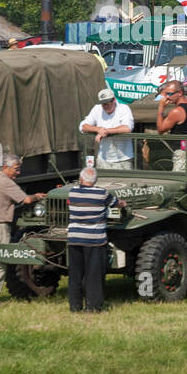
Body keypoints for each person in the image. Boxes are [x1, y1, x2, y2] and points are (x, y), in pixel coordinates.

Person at [0, 154, 46, 306]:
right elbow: (25, 199)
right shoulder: (7, 183)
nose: (18, 173)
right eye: (16, 169)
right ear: (6, 167)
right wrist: (37, 196)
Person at [66, 167, 121, 314]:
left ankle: (75, 307)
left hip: (74, 238)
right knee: (93, 275)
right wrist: (123, 204)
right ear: (95, 180)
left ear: (81, 178)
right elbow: (115, 203)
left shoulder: (73, 192)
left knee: (75, 274)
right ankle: (93, 307)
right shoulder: (102, 193)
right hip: (94, 240)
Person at [80, 88, 135, 170]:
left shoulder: (124, 108)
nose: (105, 106)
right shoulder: (97, 108)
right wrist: (98, 129)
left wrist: (107, 131)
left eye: (108, 103)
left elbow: (127, 128)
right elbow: (83, 126)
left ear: (114, 100)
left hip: (123, 159)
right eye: (103, 104)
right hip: (103, 159)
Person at [156, 81, 187, 175]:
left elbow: (160, 129)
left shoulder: (177, 111)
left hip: (183, 153)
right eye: (166, 94)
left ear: (180, 93)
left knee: (179, 182)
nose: (167, 97)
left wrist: (161, 108)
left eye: (170, 94)